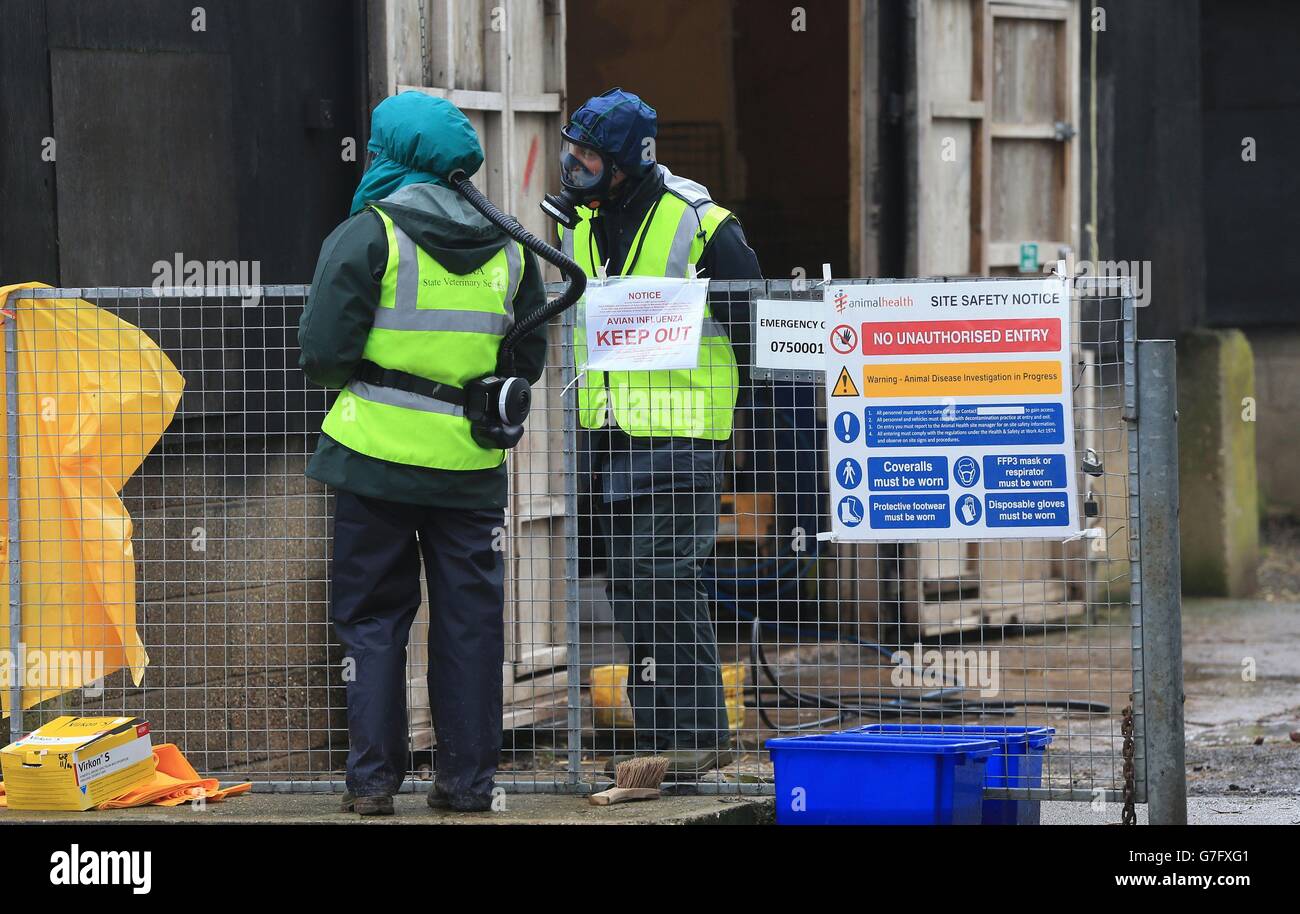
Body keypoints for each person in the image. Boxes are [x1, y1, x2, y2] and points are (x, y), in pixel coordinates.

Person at [298, 91, 549, 815]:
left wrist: (374, 384)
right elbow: (525, 354)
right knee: (471, 627)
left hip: (372, 462)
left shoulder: (368, 234)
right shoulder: (511, 246)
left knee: (373, 624)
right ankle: (468, 786)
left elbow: (322, 351)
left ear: (394, 157)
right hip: (469, 471)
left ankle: (373, 784)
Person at [549, 88, 762, 773]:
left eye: (588, 157)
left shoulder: (699, 223)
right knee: (630, 591)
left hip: (680, 433)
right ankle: (658, 741)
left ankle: (699, 737)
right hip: (608, 435)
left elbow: (753, 324)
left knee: (666, 579)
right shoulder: (578, 224)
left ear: (626, 161)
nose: (572, 167)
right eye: (570, 152)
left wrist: (736, 422)